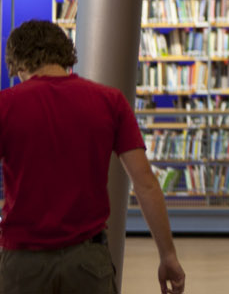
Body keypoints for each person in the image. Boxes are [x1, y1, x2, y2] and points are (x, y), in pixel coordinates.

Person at [0, 20, 185, 293]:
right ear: (64, 54)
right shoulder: (109, 101)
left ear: (19, 63)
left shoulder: (6, 105)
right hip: (87, 260)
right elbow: (145, 182)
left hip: (22, 262)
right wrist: (168, 255)